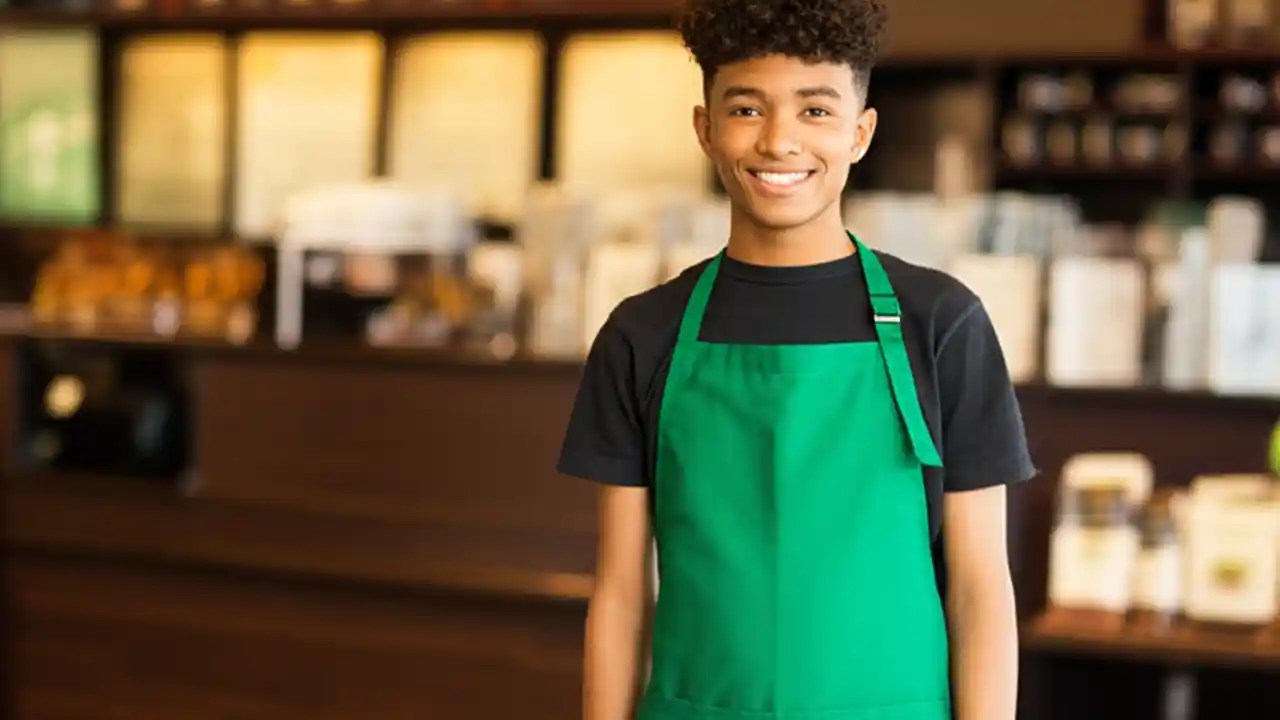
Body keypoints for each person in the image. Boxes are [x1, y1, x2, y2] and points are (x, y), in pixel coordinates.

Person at [557, 1, 1037, 718]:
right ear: (705, 129)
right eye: (747, 109)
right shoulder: (641, 335)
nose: (780, 141)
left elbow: (979, 590)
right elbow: (623, 593)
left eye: (815, 112)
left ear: (860, 133)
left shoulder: (942, 324)